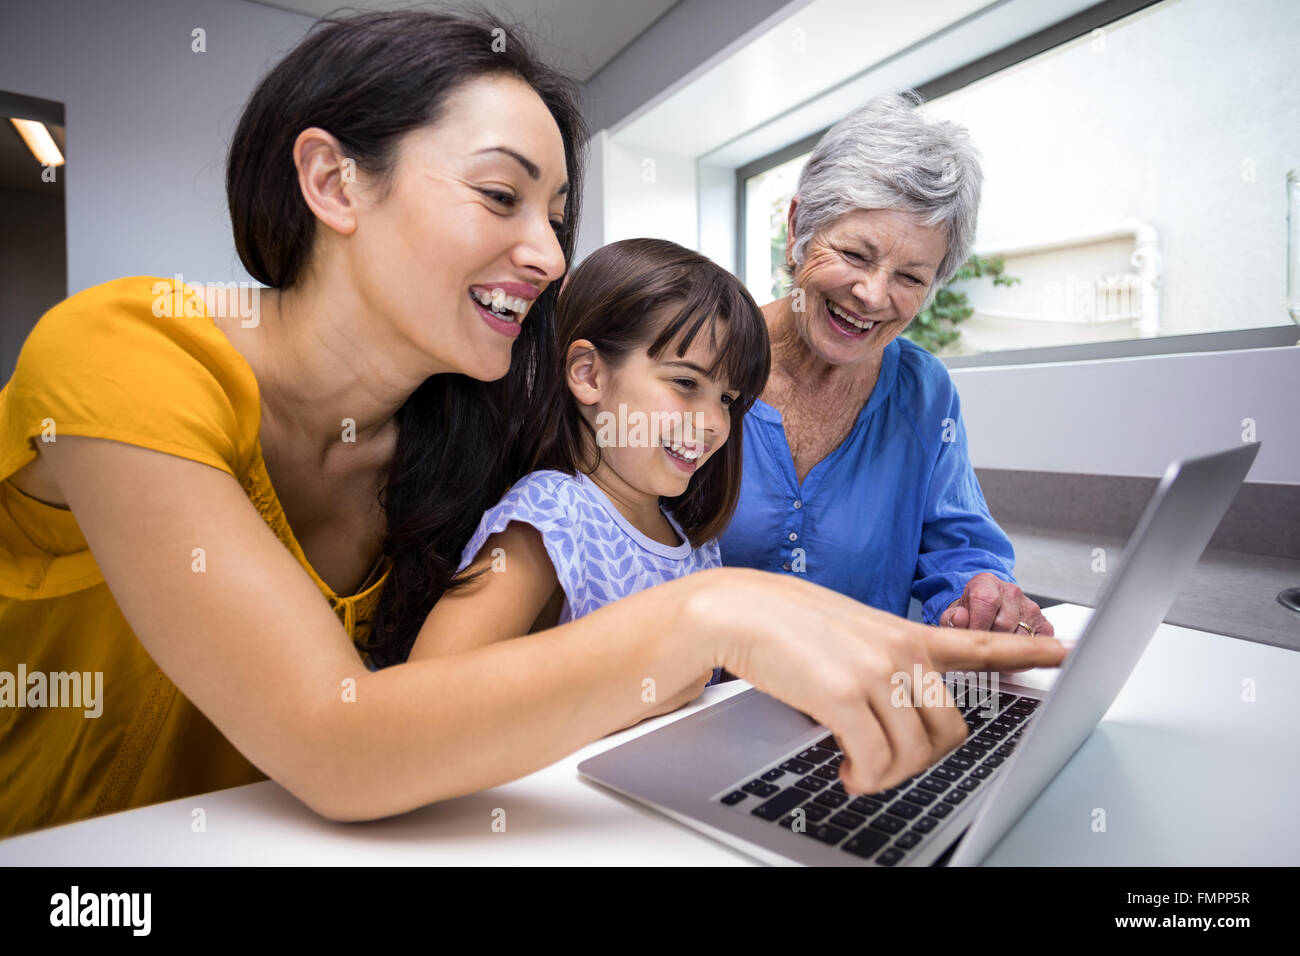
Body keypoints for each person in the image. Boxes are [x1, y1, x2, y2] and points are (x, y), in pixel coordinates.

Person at [0, 13, 1066, 839]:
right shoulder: (127, 349)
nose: (550, 255)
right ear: (332, 180)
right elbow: (339, 737)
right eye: (501, 195)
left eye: (555, 217)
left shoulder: (459, 424)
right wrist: (719, 609)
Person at [720, 91, 1055, 638]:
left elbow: (960, 546)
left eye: (910, 278)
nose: (873, 296)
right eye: (855, 254)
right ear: (798, 229)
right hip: (688, 711)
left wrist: (979, 594)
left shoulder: (924, 394)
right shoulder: (701, 356)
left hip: (856, 709)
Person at [409, 238, 768, 690]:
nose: (715, 422)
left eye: (728, 400)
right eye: (685, 382)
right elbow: (429, 691)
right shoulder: (553, 514)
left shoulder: (693, 544)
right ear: (589, 373)